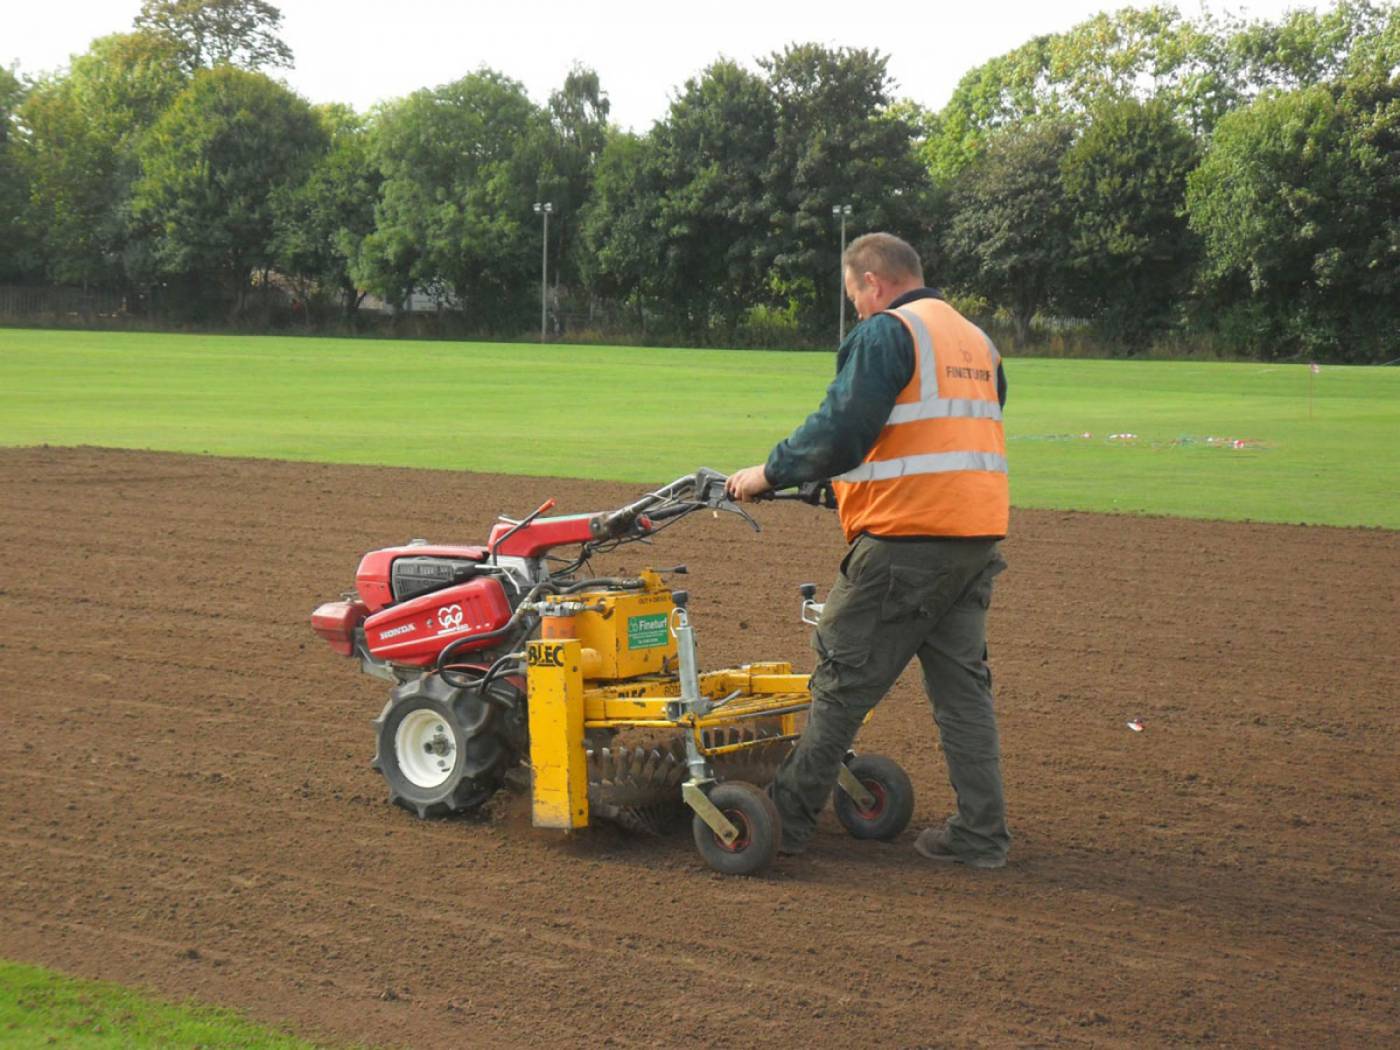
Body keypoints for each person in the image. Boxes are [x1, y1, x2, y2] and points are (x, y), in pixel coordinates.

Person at [725, 232, 1011, 869]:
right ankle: (981, 835)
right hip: (973, 539)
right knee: (963, 693)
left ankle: (787, 820)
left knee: (839, 681)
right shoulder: (975, 341)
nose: (856, 309)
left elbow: (843, 428)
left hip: (905, 544)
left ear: (873, 282)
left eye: (854, 296)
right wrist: (834, 487)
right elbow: (923, 439)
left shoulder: (889, 331)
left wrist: (770, 473)